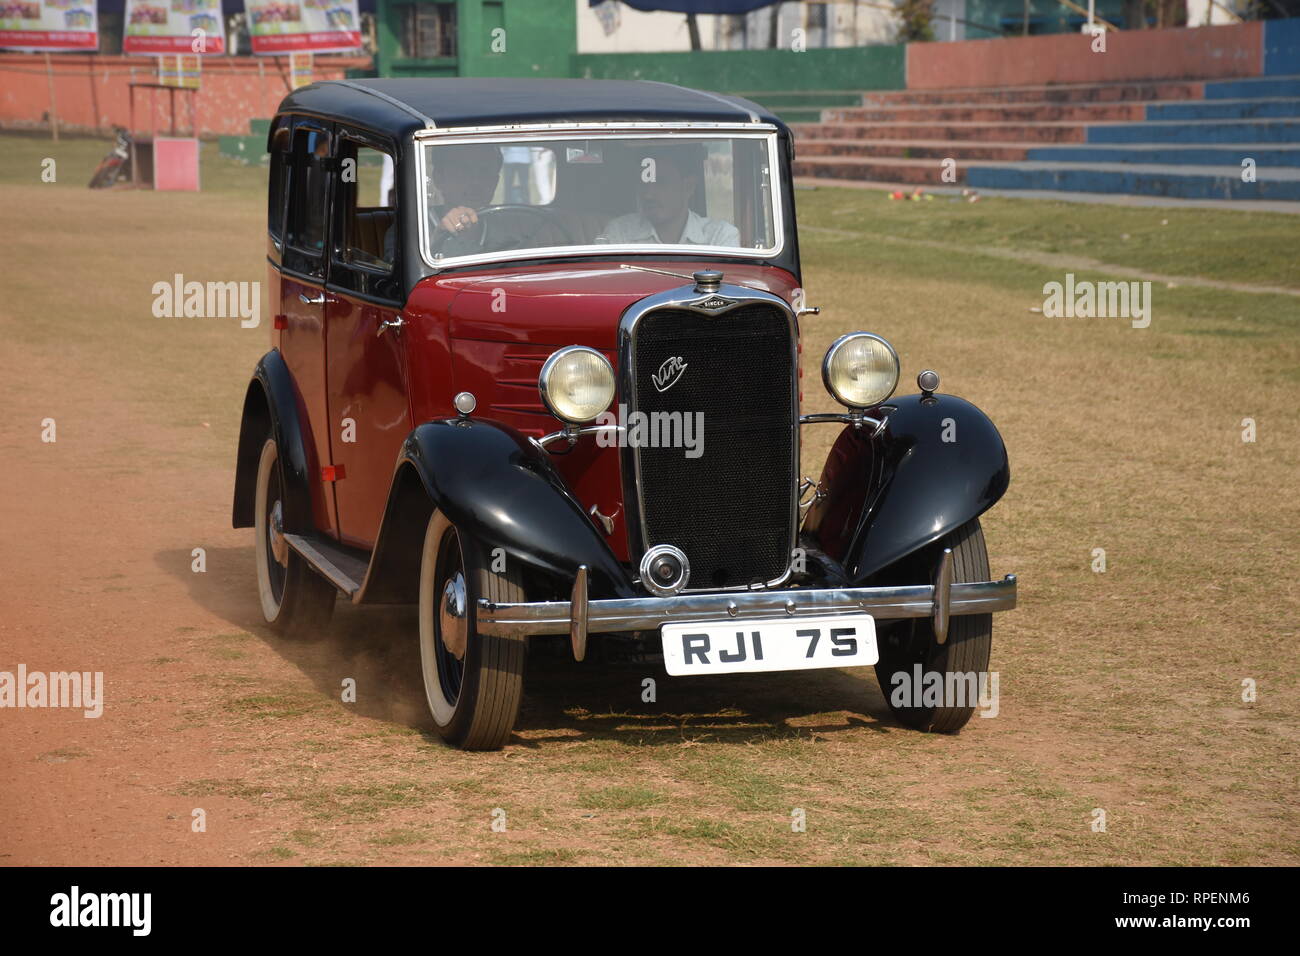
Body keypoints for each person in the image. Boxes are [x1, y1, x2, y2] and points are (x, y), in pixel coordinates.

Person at [602, 144, 739, 247]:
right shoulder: (619, 233)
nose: (648, 195)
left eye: (661, 183)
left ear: (688, 187)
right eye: (644, 184)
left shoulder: (719, 237)